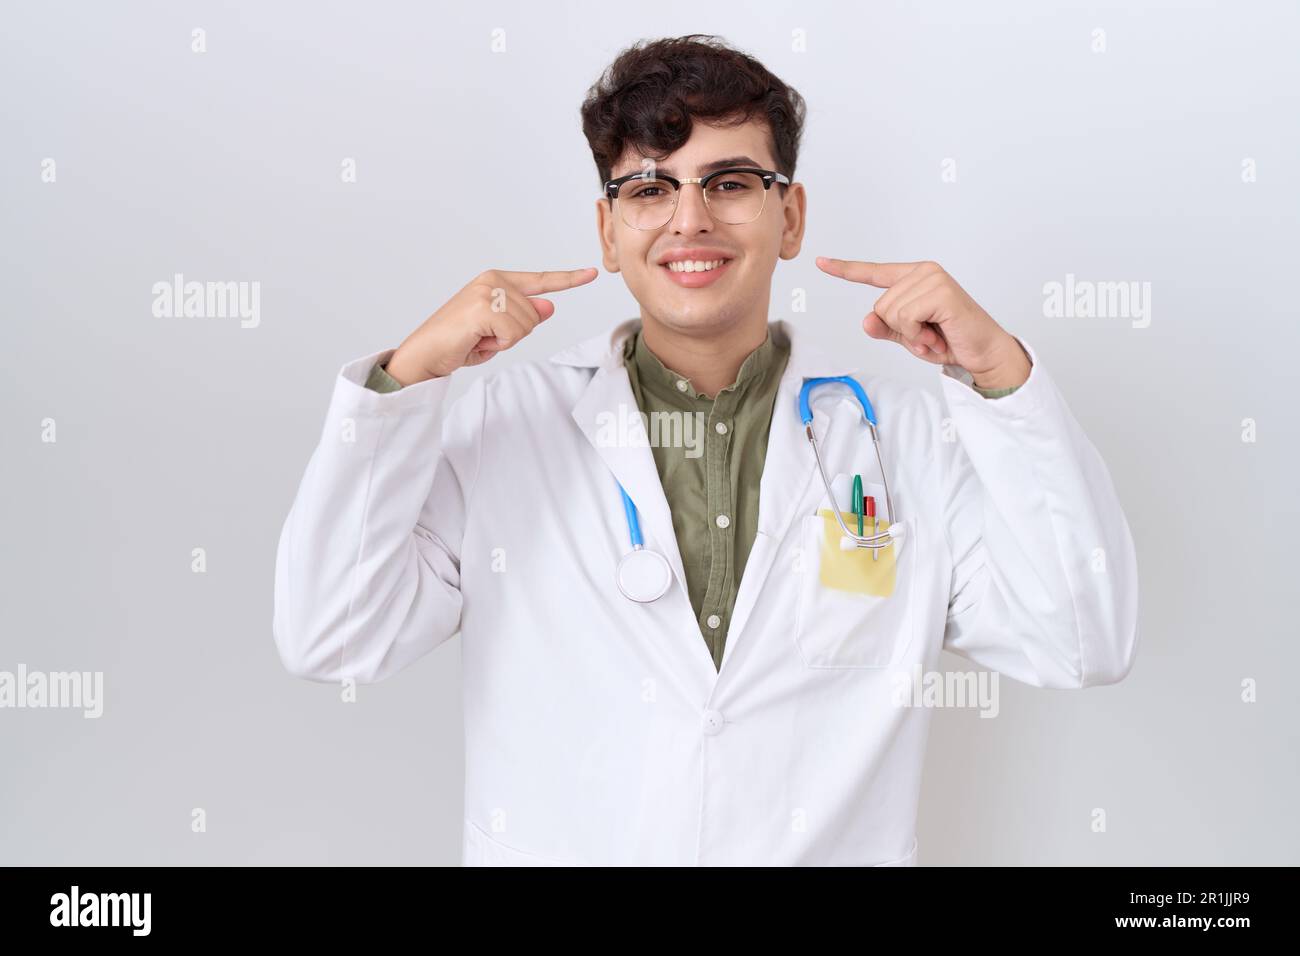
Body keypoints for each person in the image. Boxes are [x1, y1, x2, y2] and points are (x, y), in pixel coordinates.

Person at [273, 35, 1138, 865]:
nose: (690, 220)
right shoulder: (507, 424)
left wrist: (1003, 379)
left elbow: (1082, 638)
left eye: (729, 182)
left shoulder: (901, 441)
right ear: (609, 231)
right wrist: (407, 379)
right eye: (649, 189)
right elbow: (333, 635)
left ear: (788, 215)